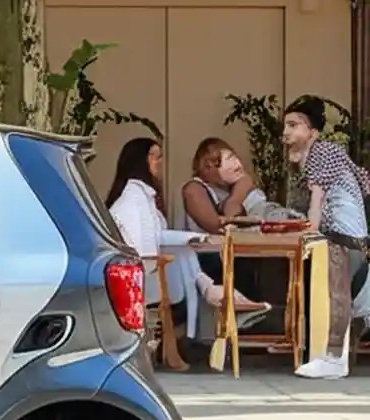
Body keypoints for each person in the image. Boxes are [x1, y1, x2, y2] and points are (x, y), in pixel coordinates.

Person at [105, 137, 269, 342]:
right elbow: (142, 246)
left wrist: (196, 238)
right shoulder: (135, 199)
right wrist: (203, 236)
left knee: (188, 250)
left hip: (160, 265)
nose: (161, 164)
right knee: (199, 255)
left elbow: (160, 237)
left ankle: (216, 294)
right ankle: (217, 296)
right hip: (145, 272)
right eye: (157, 158)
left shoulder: (143, 196)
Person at [282, 95, 370, 379]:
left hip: (345, 229)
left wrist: (312, 228)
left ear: (313, 133)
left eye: (295, 125)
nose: (287, 131)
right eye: (286, 125)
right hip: (347, 228)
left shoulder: (321, 152)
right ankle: (334, 356)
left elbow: (318, 196)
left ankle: (333, 358)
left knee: (338, 293)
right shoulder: (318, 155)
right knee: (342, 292)